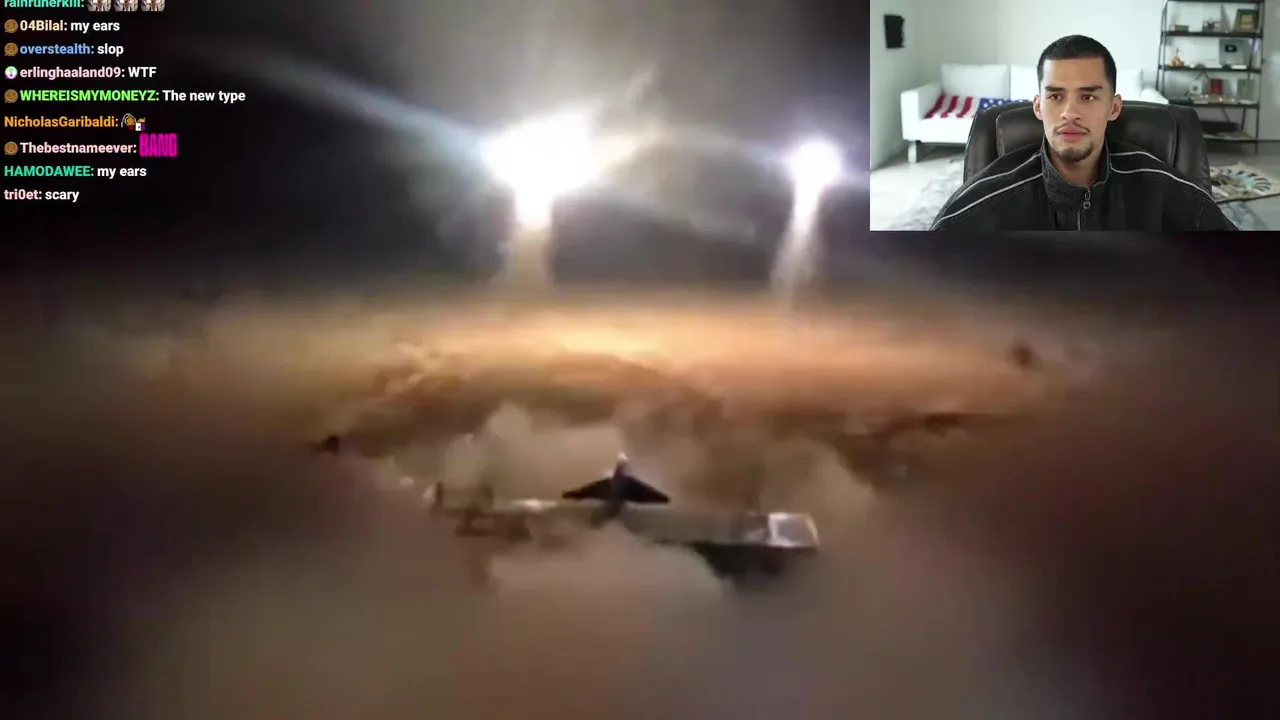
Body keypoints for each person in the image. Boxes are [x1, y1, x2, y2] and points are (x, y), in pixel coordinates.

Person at [931, 35, 1237, 231]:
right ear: (1038, 107)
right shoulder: (985, 203)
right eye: (1055, 96)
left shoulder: (1165, 190)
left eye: (1088, 96)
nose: (1069, 112)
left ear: (1114, 107)